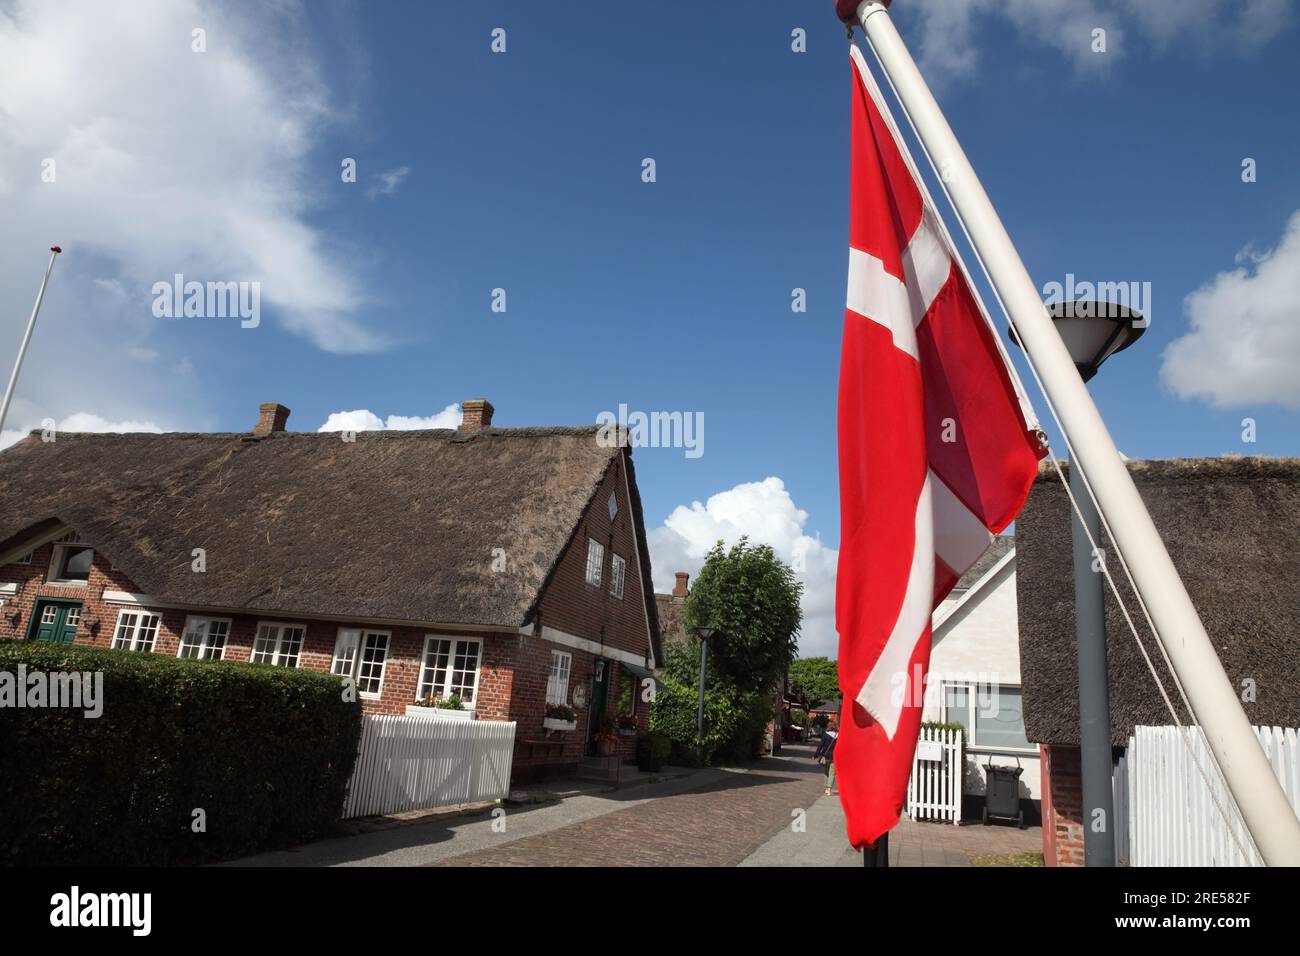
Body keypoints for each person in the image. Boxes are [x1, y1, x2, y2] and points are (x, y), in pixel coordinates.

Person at [814, 716, 839, 796]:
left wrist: (816, 755)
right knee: (832, 774)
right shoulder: (838, 735)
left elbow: (820, 746)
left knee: (826, 772)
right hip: (834, 757)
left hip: (825, 756)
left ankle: (826, 788)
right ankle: (829, 789)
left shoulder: (825, 735)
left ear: (828, 726)